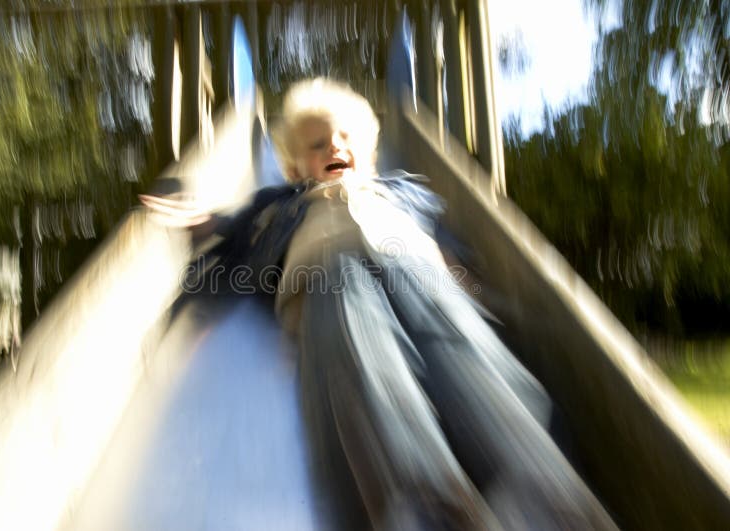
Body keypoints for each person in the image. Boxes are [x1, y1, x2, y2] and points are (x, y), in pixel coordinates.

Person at [141, 78, 616, 530]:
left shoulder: (402, 192)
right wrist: (201, 225)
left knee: (460, 350)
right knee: (361, 344)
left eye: (345, 137)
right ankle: (421, 502)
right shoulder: (279, 206)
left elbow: (447, 249)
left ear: (369, 154)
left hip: (417, 273)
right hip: (326, 281)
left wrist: (465, 280)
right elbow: (235, 241)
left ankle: (544, 492)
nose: (334, 146)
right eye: (317, 143)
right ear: (291, 169)